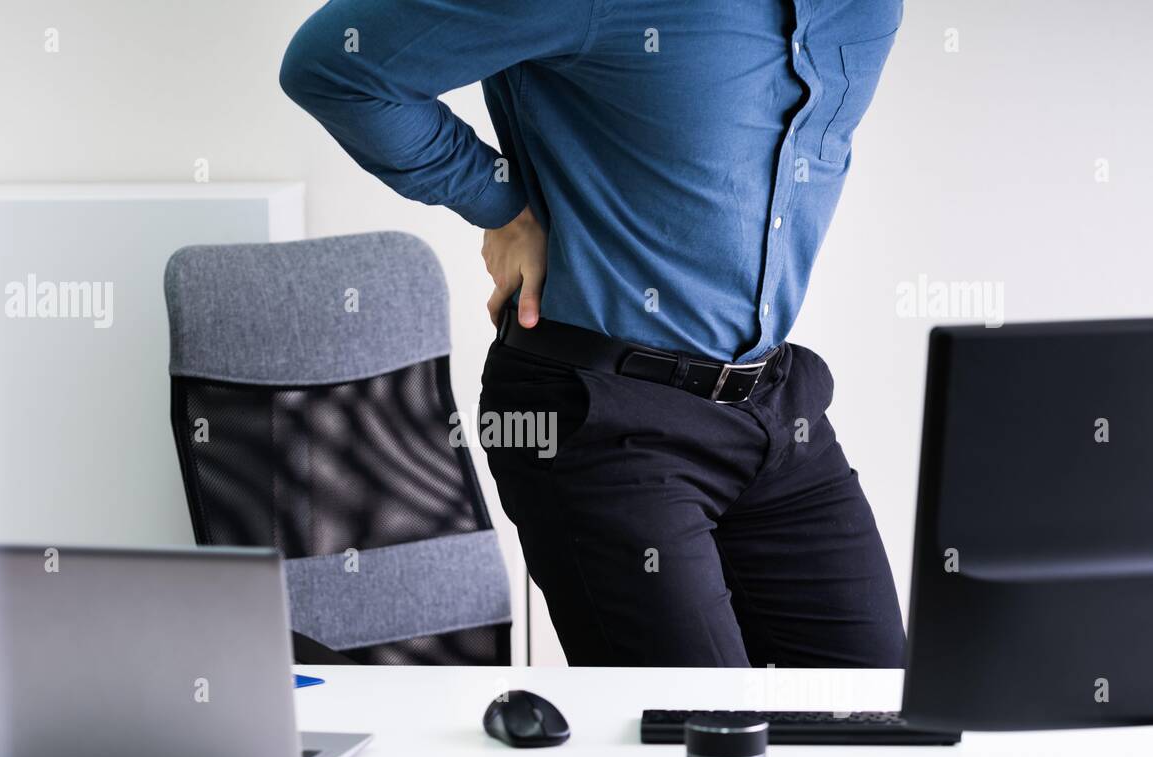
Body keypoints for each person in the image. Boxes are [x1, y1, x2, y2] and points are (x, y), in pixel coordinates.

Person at [281, 0, 907, 667]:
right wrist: (503, 206)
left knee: (875, 725)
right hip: (603, 413)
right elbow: (336, 67)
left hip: (777, 407)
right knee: (693, 739)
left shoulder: (865, 8)